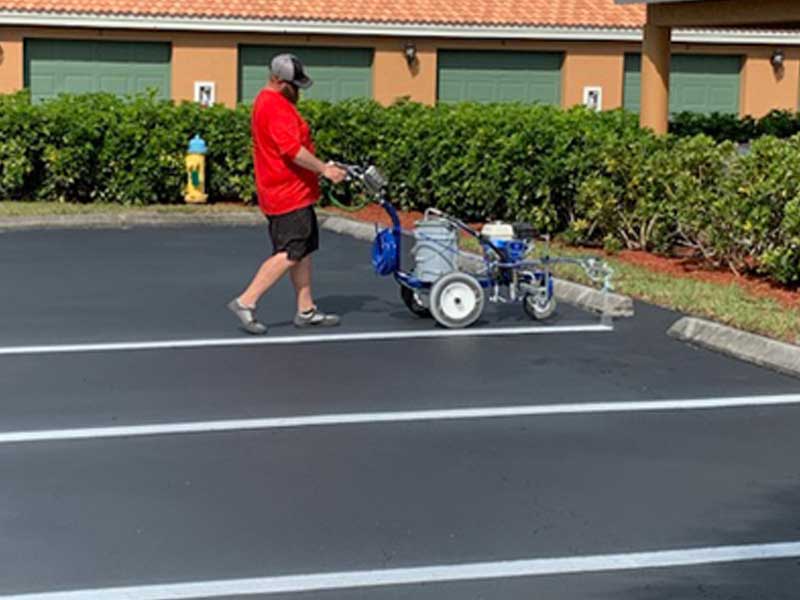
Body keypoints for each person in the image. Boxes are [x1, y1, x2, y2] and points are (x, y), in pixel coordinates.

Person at [228, 54, 347, 334]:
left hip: (290, 191)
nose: (299, 91)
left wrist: (321, 167)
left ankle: (306, 309)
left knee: (302, 250)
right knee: (290, 252)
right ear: (280, 82)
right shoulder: (274, 106)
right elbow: (291, 151)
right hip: (286, 193)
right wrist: (324, 170)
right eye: (296, 85)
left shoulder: (269, 101)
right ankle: (246, 301)